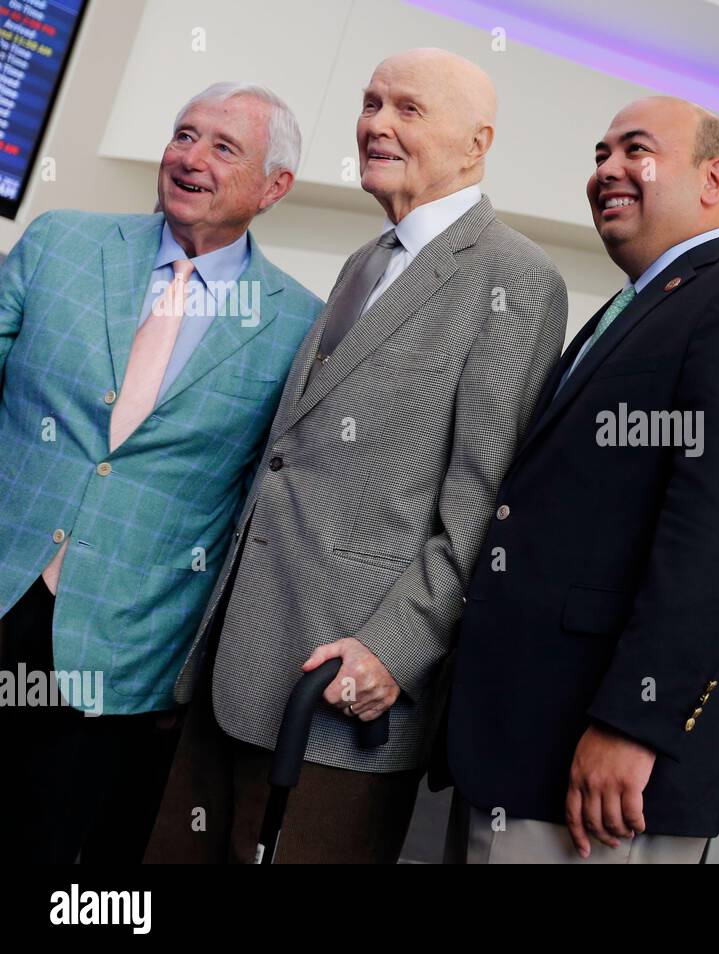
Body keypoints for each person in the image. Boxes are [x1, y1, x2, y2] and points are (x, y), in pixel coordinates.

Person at [146, 49, 567, 864]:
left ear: (476, 143)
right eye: (372, 103)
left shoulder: (517, 279)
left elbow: (480, 509)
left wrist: (393, 652)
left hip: (340, 697)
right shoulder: (364, 262)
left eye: (408, 109)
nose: (376, 123)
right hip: (231, 670)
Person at [445, 95, 719, 863]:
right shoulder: (633, 306)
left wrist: (634, 722)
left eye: (635, 150)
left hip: (607, 776)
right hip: (527, 745)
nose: (607, 170)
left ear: (714, 177)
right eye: (599, 154)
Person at [0, 82, 320, 863]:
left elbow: (254, 505)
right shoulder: (60, 242)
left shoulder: (299, 325)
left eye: (222, 147)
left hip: (124, 649)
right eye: (184, 134)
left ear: (273, 187)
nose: (189, 158)